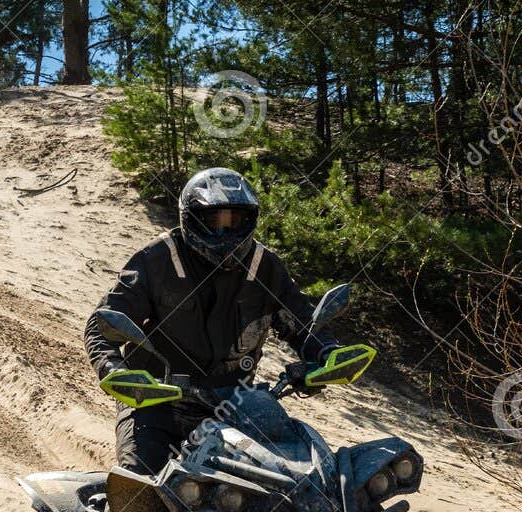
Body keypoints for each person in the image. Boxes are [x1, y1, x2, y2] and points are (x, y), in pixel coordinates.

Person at [84, 167, 341, 476]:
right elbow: (102, 325)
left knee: (290, 473)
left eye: (235, 221)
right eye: (215, 221)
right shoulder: (158, 260)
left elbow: (302, 323)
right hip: (157, 400)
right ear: (191, 218)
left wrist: (325, 354)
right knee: (139, 483)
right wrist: (116, 371)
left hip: (235, 402)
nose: (226, 231)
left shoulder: (265, 267)